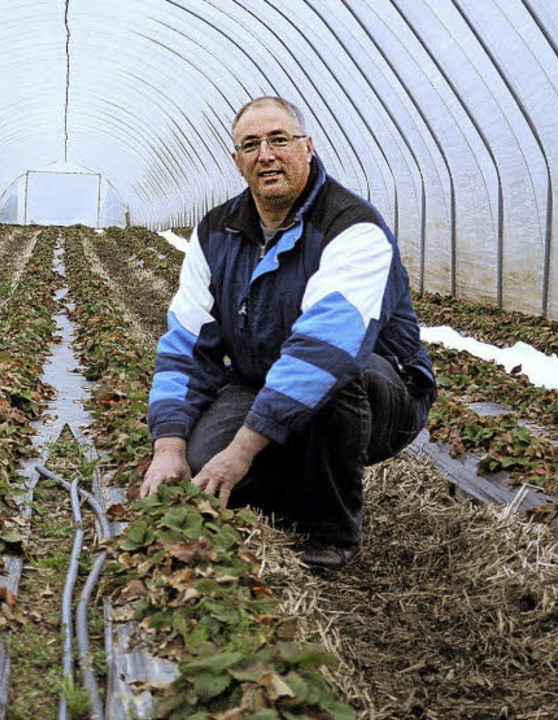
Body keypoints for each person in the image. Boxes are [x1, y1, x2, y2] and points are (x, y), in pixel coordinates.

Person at [142, 96, 436, 569]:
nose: (267, 154)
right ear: (236, 162)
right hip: (260, 380)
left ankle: (332, 533)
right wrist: (169, 446)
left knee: (336, 378)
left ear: (307, 147)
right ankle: (298, 484)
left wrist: (241, 452)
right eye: (251, 145)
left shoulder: (351, 227)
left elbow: (325, 352)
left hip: (381, 395)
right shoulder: (216, 231)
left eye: (280, 140)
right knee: (200, 463)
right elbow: (186, 346)